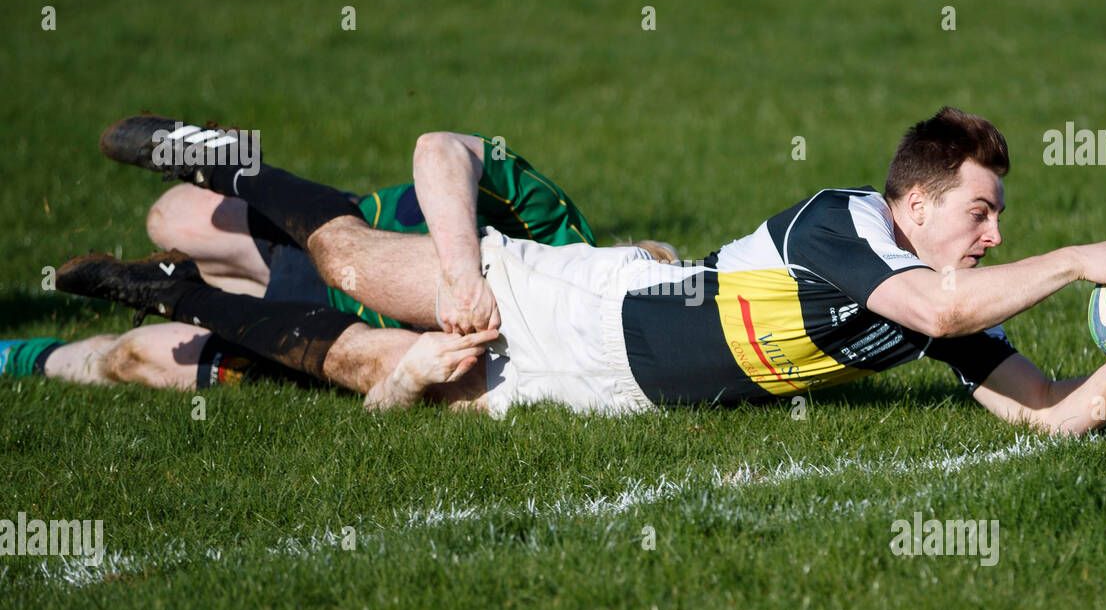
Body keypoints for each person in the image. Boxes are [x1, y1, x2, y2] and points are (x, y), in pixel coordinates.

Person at [47, 107, 1106, 434]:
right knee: (342, 249)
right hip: (572, 300)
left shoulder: (940, 314)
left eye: (1004, 223)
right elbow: (945, 292)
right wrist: (1084, 259)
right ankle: (228, 157)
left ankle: (154, 287)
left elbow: (1052, 417)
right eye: (981, 211)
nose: (992, 234)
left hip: (589, 390)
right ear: (915, 198)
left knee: (366, 369)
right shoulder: (843, 222)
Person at [1, 114, 668, 395]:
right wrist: (462, 270)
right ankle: (221, 161)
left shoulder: (569, 358)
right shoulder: (558, 229)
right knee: (173, 215)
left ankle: (22, 355)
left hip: (314, 337)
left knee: (137, 358)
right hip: (331, 242)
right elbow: (448, 151)